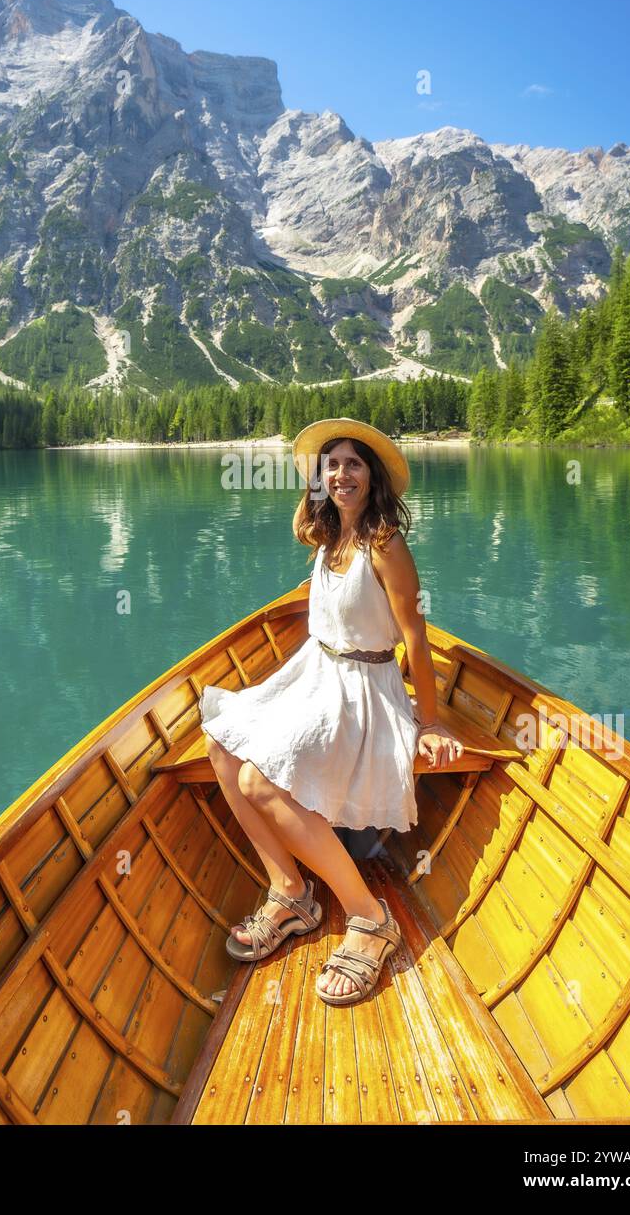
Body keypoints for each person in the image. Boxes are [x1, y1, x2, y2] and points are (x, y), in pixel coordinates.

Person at [199, 417, 463, 1005]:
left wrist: (431, 721)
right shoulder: (331, 539)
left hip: (366, 690)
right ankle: (290, 889)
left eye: (354, 464)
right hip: (317, 676)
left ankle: (371, 919)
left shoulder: (385, 542)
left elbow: (415, 639)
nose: (341, 474)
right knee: (220, 743)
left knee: (258, 780)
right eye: (332, 465)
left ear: (373, 477)